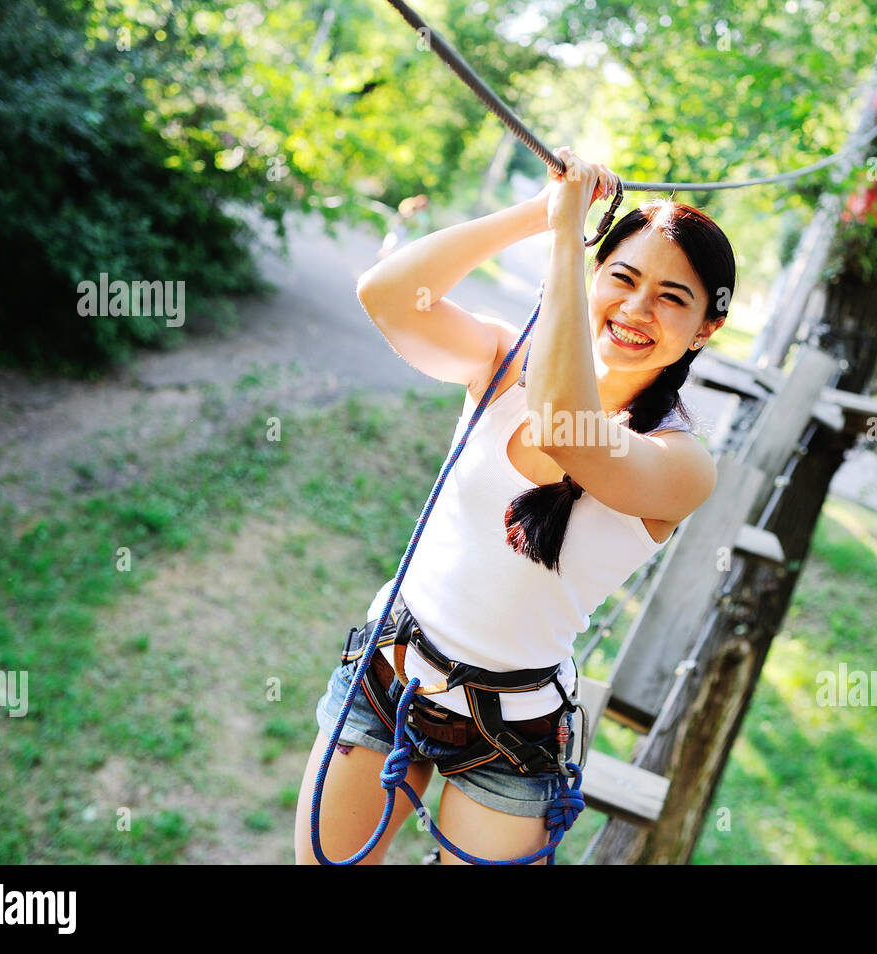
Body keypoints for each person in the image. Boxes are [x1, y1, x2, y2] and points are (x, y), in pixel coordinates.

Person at [294, 147, 734, 864]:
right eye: (620, 278)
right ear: (593, 277)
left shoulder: (683, 463)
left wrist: (567, 237)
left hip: (513, 736)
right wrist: (541, 212)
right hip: (388, 674)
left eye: (672, 297)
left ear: (706, 328)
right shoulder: (506, 359)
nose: (635, 308)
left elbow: (566, 426)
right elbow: (388, 295)